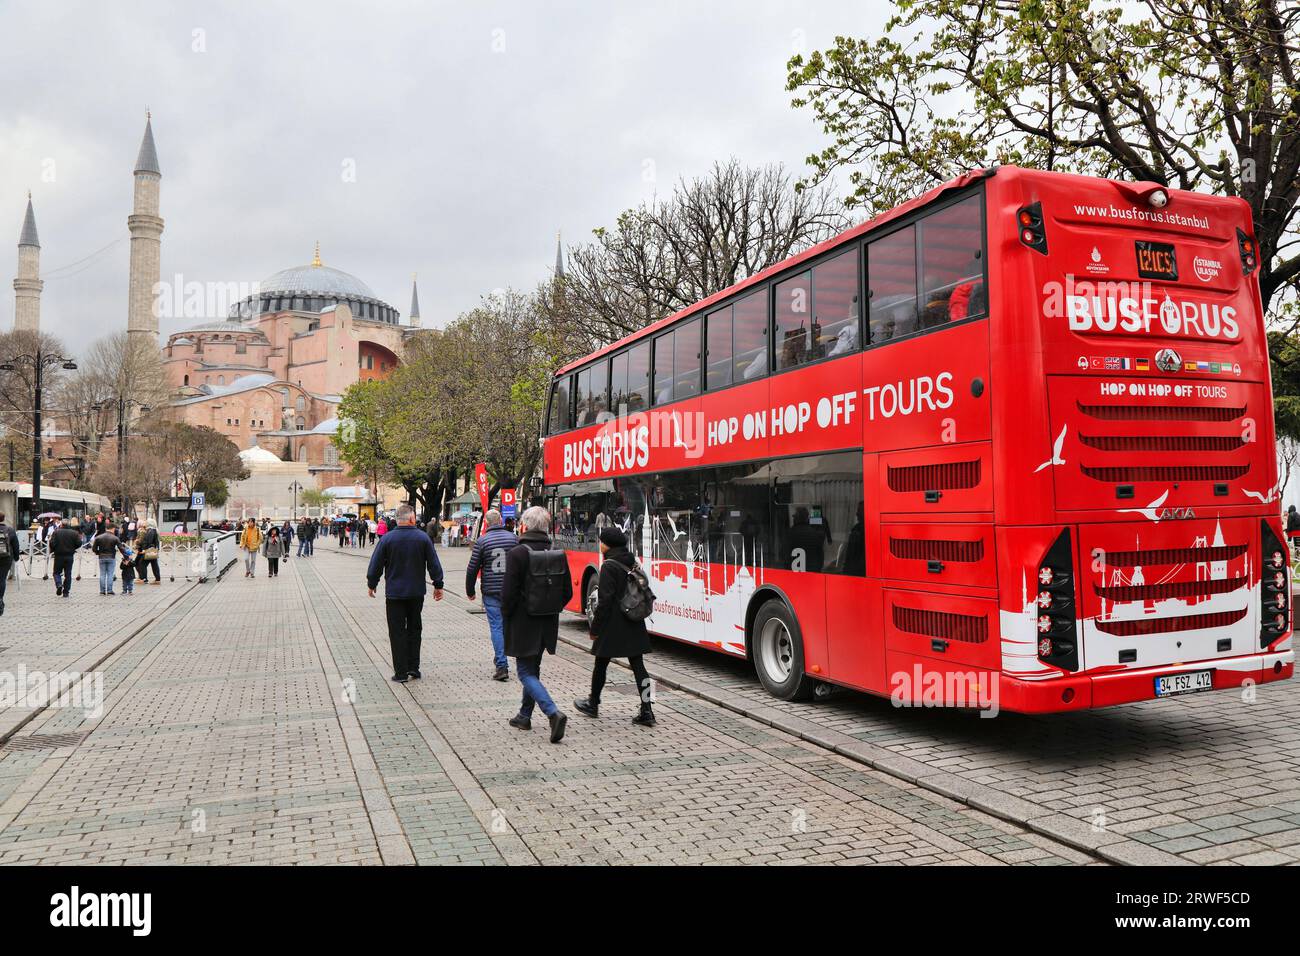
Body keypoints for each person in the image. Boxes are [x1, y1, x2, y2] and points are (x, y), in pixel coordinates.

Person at [500, 505, 572, 743]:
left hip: (523, 622)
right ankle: (524, 715)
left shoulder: (517, 553)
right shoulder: (557, 551)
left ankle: (553, 713)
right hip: (547, 622)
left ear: (525, 525)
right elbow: (568, 592)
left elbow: (508, 593)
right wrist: (551, 608)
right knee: (533, 668)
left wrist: (507, 614)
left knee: (524, 671)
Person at [574, 528, 656, 726]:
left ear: (607, 545)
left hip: (613, 624)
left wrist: (595, 629)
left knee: (601, 664)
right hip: (633, 620)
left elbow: (605, 601)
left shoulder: (609, 566)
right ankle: (647, 710)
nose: (599, 544)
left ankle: (593, 703)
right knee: (639, 667)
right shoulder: (631, 560)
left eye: (601, 541)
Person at [367, 503, 445, 683]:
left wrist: (372, 583)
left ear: (396, 520)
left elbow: (376, 563)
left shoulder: (387, 539)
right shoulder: (423, 538)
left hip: (394, 594)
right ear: (412, 519)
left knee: (396, 632)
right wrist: (438, 585)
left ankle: (401, 673)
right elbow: (434, 563)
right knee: (414, 629)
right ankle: (414, 668)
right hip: (416, 593)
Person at [464, 509, 518, 681]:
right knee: (508, 626)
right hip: (511, 590)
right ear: (501, 520)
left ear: (486, 523)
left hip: (491, 591)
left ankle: (502, 665)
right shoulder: (513, 539)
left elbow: (472, 568)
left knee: (496, 627)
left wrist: (470, 590)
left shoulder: (482, 541)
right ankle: (502, 656)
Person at [49, 518, 82, 598]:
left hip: (59, 555)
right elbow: (79, 543)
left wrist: (54, 549)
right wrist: (73, 548)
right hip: (69, 555)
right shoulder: (74, 533)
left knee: (56, 572)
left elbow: (52, 543)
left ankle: (59, 584)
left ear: (61, 524)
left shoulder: (56, 532)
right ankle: (66, 592)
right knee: (68, 574)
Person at [92, 524, 128, 595]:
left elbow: (94, 549)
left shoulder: (98, 537)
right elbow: (121, 548)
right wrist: (126, 556)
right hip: (111, 557)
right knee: (110, 574)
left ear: (106, 528)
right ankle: (109, 590)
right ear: (113, 529)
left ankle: (102, 591)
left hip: (101, 557)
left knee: (102, 574)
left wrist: (98, 553)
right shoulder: (115, 538)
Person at [0, 512, 19, 616]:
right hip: (6, 558)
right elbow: (16, 545)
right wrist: (16, 557)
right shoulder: (10, 530)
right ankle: (0, 599)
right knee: (2, 579)